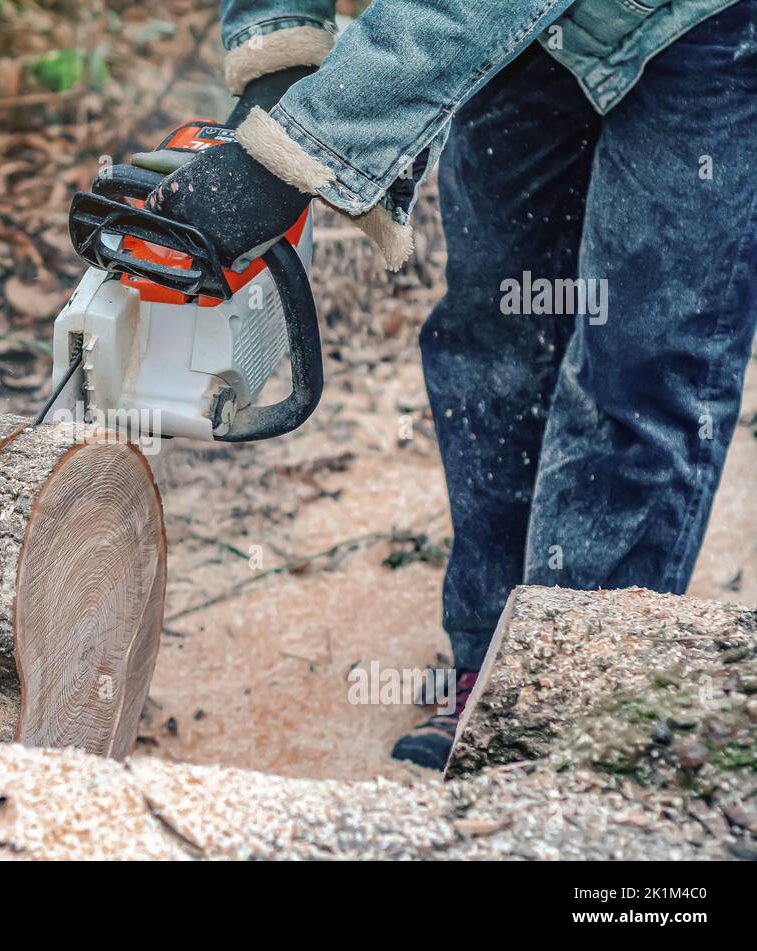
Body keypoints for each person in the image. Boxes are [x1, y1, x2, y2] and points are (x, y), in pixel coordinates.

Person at [147, 0, 757, 769]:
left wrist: (298, 149)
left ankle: (566, 712)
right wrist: (279, 61)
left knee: (640, 368)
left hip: (705, 27)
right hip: (528, 33)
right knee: (497, 335)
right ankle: (491, 657)